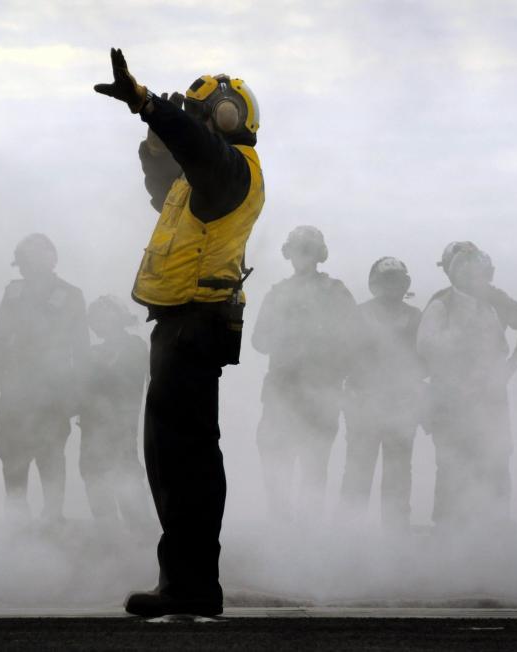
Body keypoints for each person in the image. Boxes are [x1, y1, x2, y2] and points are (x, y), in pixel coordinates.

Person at [95, 48, 265, 617]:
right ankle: (182, 582)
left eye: (200, 114)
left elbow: (196, 152)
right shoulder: (201, 181)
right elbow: (168, 181)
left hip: (197, 326)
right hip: (178, 326)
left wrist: (149, 106)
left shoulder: (233, 170)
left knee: (186, 461)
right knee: (169, 460)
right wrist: (153, 141)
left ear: (222, 118)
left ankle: (193, 587)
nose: (192, 122)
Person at [251, 226, 357, 522]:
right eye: (298, 249)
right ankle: (281, 530)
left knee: (314, 467)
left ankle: (309, 540)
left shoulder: (336, 292)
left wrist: (320, 342)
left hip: (320, 394)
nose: (303, 256)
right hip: (280, 393)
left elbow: (354, 337)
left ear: (319, 254)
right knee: (275, 462)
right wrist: (287, 337)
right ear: (290, 254)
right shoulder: (278, 294)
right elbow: (259, 341)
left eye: (308, 249)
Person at [0, 234, 89, 525]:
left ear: (50, 260)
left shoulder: (70, 295)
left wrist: (78, 395)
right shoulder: (13, 292)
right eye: (21, 264)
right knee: (12, 456)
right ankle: (16, 519)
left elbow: (80, 349)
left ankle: (53, 518)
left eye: (28, 262)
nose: (24, 269)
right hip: (14, 391)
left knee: (51, 455)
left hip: (52, 392)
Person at [417, 248, 514, 530]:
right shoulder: (441, 305)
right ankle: (450, 528)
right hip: (453, 399)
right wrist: (462, 341)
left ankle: (495, 523)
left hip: (490, 400)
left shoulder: (488, 308)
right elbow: (425, 345)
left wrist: (501, 371)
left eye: (480, 273)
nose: (475, 278)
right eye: (468, 272)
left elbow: (500, 347)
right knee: (453, 464)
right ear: (455, 274)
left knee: (495, 459)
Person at [340, 257, 423, 532]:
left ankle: (396, 532)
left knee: (398, 472)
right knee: (358, 470)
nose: (392, 286)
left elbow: (424, 360)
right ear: (375, 284)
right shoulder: (358, 315)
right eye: (387, 281)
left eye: (397, 281)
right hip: (364, 403)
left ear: (405, 284)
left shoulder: (415, 317)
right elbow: (346, 356)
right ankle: (350, 532)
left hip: (401, 404)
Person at [78, 296, 150, 528]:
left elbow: (120, 377)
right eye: (95, 319)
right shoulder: (94, 352)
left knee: (124, 469)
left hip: (121, 421)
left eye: (102, 317)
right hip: (92, 423)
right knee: (92, 471)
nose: (98, 324)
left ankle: (140, 528)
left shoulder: (135, 345)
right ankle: (107, 528)